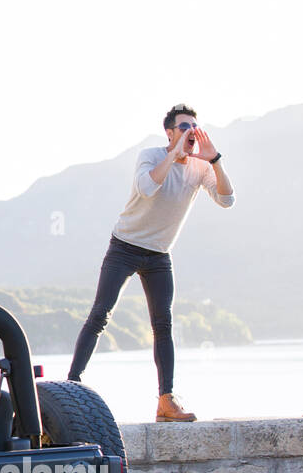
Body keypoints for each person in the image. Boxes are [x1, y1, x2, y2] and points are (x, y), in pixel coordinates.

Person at [67, 104, 236, 421]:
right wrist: (173, 156)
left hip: (159, 254)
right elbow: (146, 188)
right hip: (125, 247)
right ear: (170, 133)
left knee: (164, 325)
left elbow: (227, 199)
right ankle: (72, 384)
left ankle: (166, 401)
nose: (191, 132)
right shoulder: (150, 155)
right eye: (184, 127)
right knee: (100, 314)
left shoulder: (201, 167)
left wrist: (214, 160)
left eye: (194, 127)